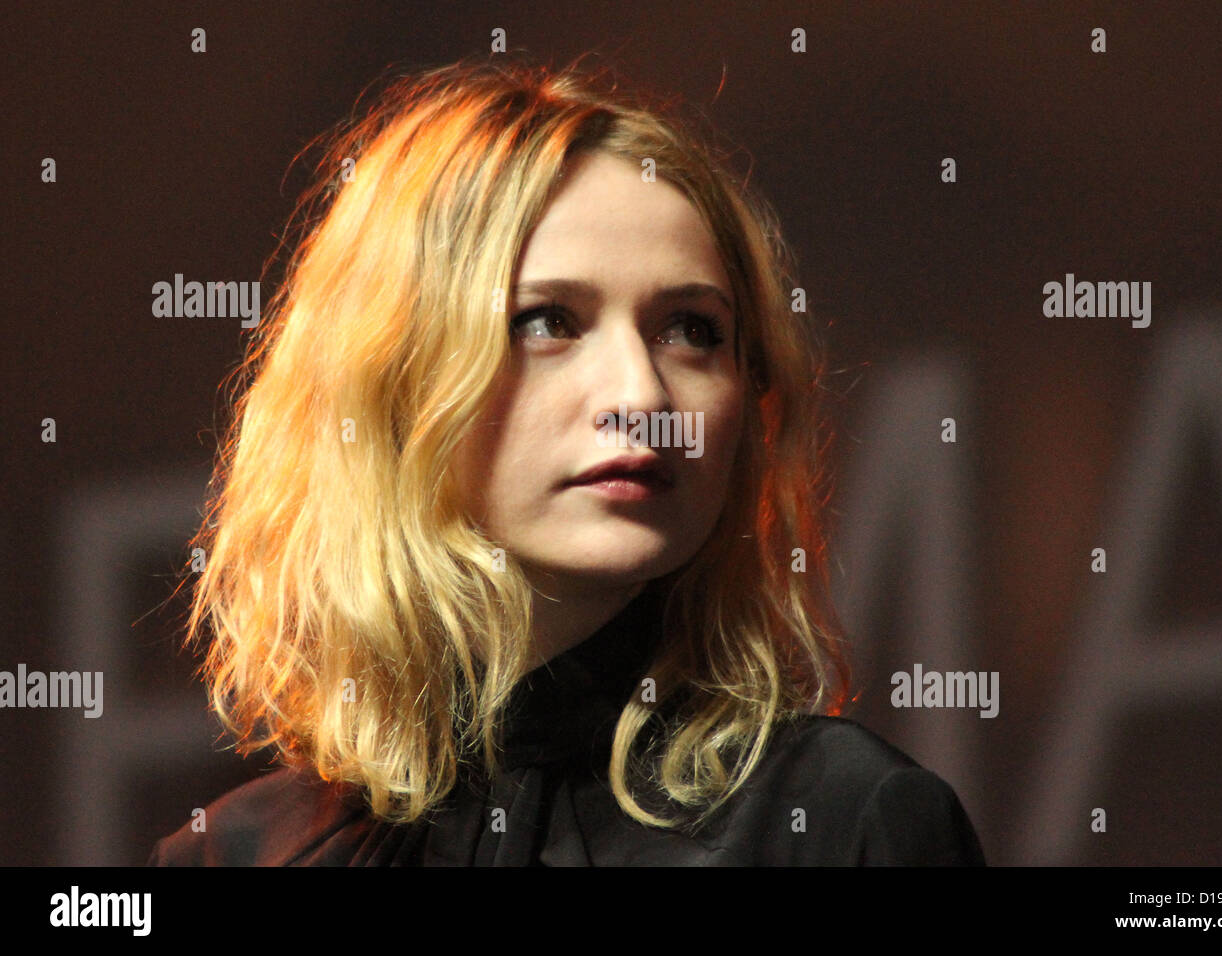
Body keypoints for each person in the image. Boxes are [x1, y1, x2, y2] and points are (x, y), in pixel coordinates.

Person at [148, 55, 985, 866]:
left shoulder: (846, 823)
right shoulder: (235, 852)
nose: (641, 397)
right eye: (549, 320)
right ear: (393, 380)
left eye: (692, 330)